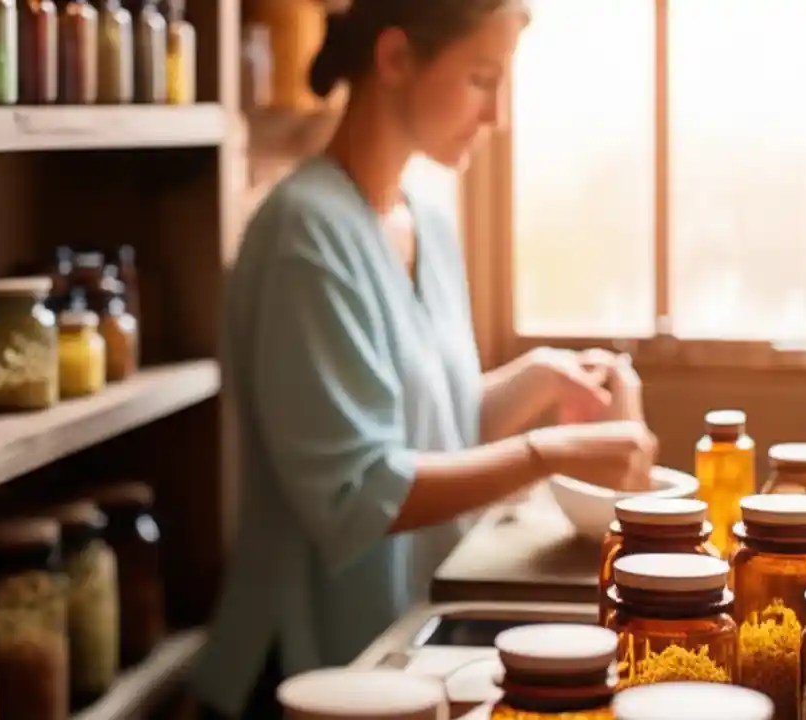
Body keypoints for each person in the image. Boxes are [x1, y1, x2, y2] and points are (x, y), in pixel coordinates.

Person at [192, 2, 658, 717]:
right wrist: (546, 451)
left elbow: (426, 424)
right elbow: (361, 489)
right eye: (480, 79)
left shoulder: (426, 221)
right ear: (395, 60)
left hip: (403, 633)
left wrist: (538, 380)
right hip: (305, 664)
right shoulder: (303, 234)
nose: (496, 114)